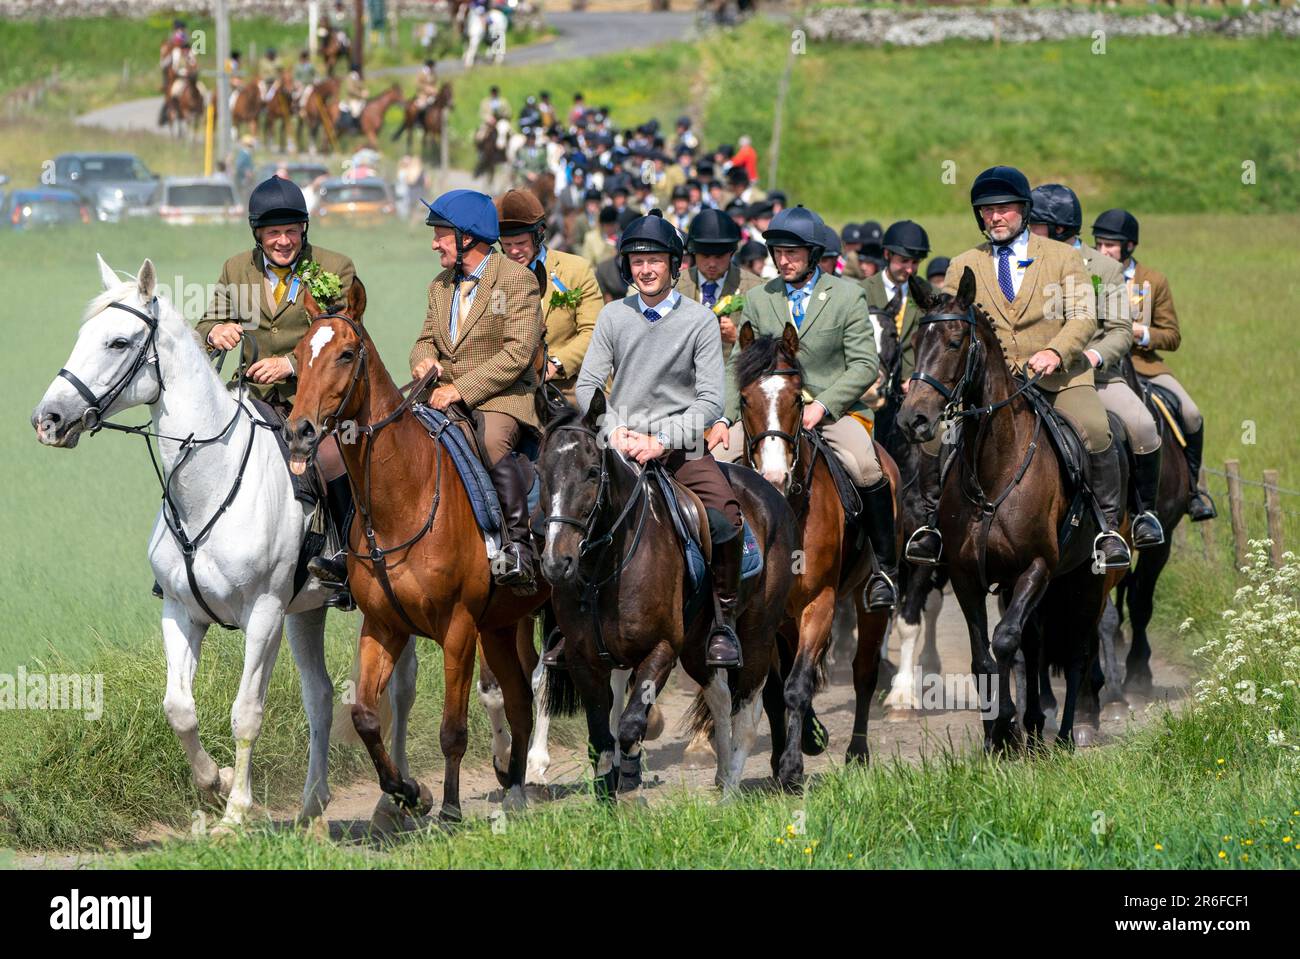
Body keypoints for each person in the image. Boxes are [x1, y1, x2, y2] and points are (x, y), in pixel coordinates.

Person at [917, 166, 1130, 569]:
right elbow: (946, 323)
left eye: (1004, 208)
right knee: (935, 439)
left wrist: (1055, 351)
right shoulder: (965, 263)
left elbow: (1084, 316)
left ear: (1024, 210)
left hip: (1058, 379)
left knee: (1098, 428)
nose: (995, 217)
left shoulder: (1063, 258)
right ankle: (930, 527)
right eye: (986, 210)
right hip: (987, 387)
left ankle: (1107, 529)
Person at [574, 211, 745, 668]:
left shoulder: (700, 322)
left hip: (681, 446)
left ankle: (723, 625)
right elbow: (588, 386)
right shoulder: (612, 316)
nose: (645, 269)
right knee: (564, 512)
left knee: (726, 519)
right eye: (636, 261)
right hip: (620, 444)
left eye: (654, 260)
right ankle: (567, 628)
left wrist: (662, 441)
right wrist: (615, 432)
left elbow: (710, 400)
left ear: (675, 265)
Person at [709, 206, 900, 610]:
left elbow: (865, 363)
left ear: (814, 254)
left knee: (867, 465)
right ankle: (717, 572)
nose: (783, 260)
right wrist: (725, 418)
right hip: (771, 411)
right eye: (778, 252)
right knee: (714, 460)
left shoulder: (848, 294)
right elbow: (737, 365)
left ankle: (884, 569)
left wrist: (825, 405)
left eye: (792, 252)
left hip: (828, 411)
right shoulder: (761, 297)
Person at [196, 176, 358, 606]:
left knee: (329, 455)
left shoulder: (333, 268)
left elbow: (342, 337)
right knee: (198, 450)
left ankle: (345, 557)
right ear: (258, 235)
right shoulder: (236, 269)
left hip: (312, 401)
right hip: (250, 400)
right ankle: (188, 556)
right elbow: (203, 327)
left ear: (303, 230)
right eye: (273, 233)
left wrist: (289, 363)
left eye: (291, 231)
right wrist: (217, 333)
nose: (283, 241)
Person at [410, 190, 545, 589]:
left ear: (467, 237)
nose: (435, 243)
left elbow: (517, 354)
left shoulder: (516, 280)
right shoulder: (439, 286)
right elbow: (425, 340)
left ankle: (518, 546)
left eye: (441, 235)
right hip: (439, 392)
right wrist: (422, 361)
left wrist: (461, 390)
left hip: (505, 398)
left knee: (491, 442)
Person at [1029, 185, 1164, 548]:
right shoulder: (1025, 262)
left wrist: (1092, 356)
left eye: (1035, 222)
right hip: (1031, 375)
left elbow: (1120, 331)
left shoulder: (1103, 269)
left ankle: (1142, 515)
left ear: (1058, 228)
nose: (1027, 227)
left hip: (1094, 375)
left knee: (1143, 427)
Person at [1093, 208, 1216, 520]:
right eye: (1099, 244)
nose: (1103, 251)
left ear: (1130, 246)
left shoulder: (1153, 282)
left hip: (1144, 364)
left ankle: (1193, 491)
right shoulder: (1088, 276)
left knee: (1191, 414)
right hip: (1101, 366)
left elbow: (1172, 336)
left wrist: (1142, 333)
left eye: (1110, 245)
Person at [494, 189, 600, 406]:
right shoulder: (495, 278)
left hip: (569, 383)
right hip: (514, 388)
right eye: (507, 245)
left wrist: (556, 364)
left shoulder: (577, 269)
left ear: (539, 234)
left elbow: (593, 332)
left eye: (521, 243)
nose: (513, 251)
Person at [676, 208, 762, 360]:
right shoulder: (673, 286)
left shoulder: (756, 288)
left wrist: (739, 338)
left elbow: (770, 346)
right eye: (705, 255)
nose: (712, 263)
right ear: (693, 251)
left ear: (732, 253)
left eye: (719, 256)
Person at [864, 219, 931, 385]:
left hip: (913, 386)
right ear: (887, 254)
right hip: (872, 386)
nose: (910, 269)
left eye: (915, 262)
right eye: (904, 261)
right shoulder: (861, 292)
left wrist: (917, 376)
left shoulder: (929, 293)